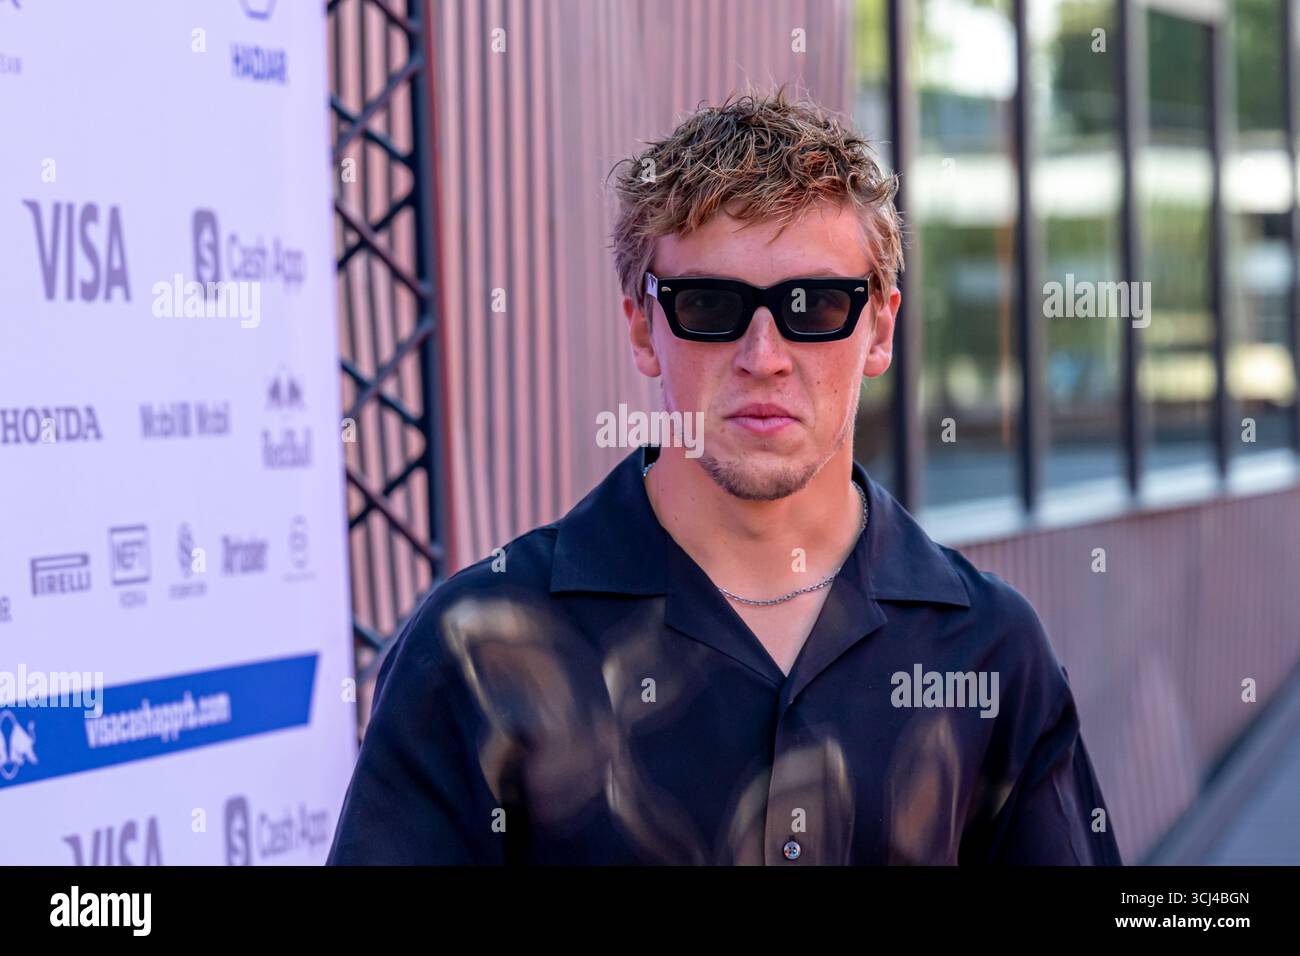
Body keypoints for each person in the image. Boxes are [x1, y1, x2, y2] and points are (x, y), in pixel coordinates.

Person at [327, 86, 1123, 865]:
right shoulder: (474, 648)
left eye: (813, 307)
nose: (763, 357)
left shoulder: (989, 651)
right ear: (643, 329)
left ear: (879, 328)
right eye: (710, 306)